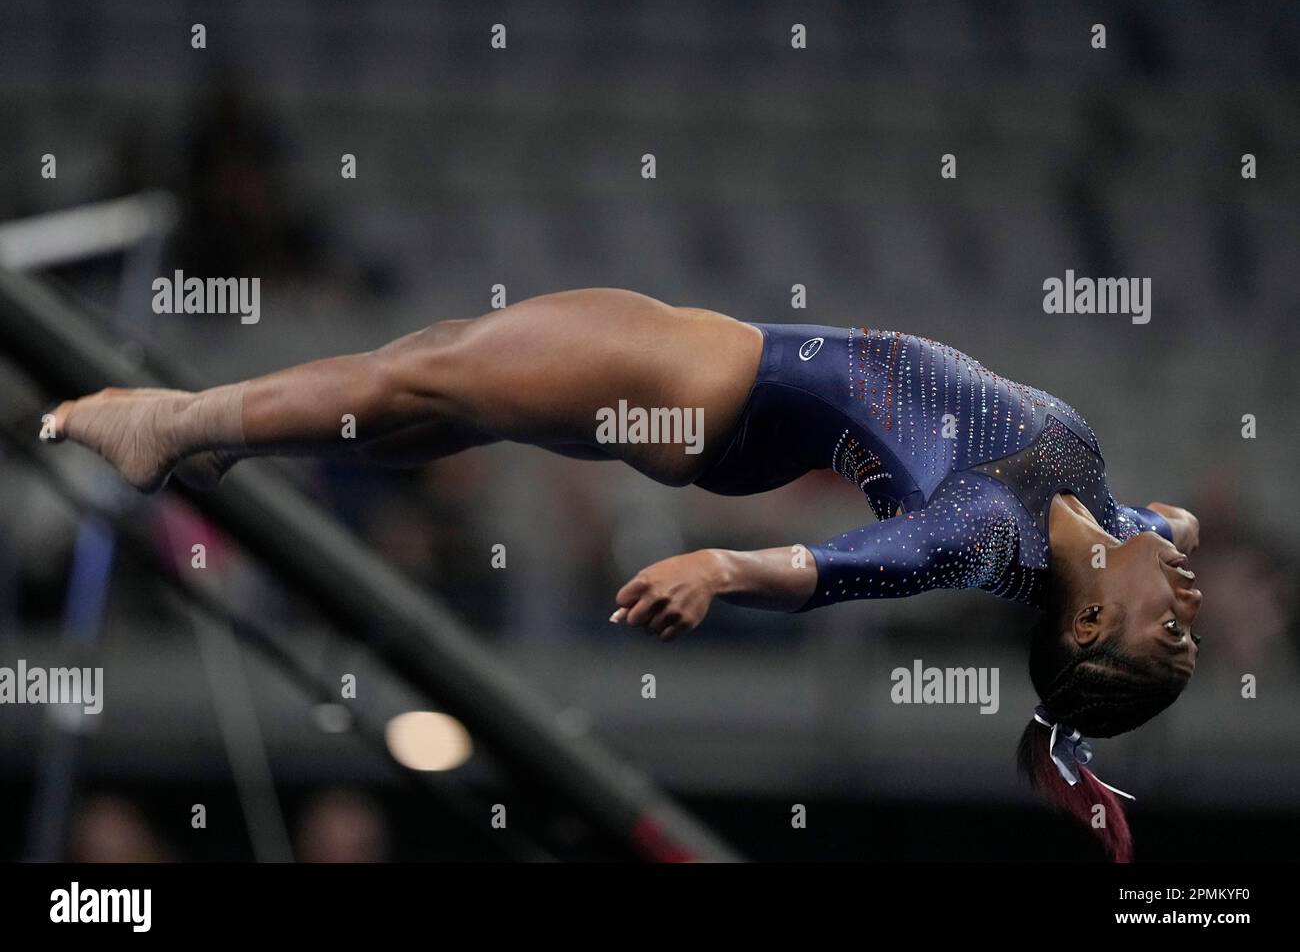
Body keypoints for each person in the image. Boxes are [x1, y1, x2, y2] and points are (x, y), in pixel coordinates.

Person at [44, 287, 1202, 860]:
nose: (1186, 611)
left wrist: (717, 567)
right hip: (721, 383)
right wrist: (1078, 723)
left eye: (1166, 635)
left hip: (714, 384)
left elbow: (842, 565)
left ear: (1090, 612)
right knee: (433, 405)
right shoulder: (1105, 519)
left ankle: (174, 422)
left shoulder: (987, 534)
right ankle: (214, 440)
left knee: (429, 372)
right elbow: (1166, 534)